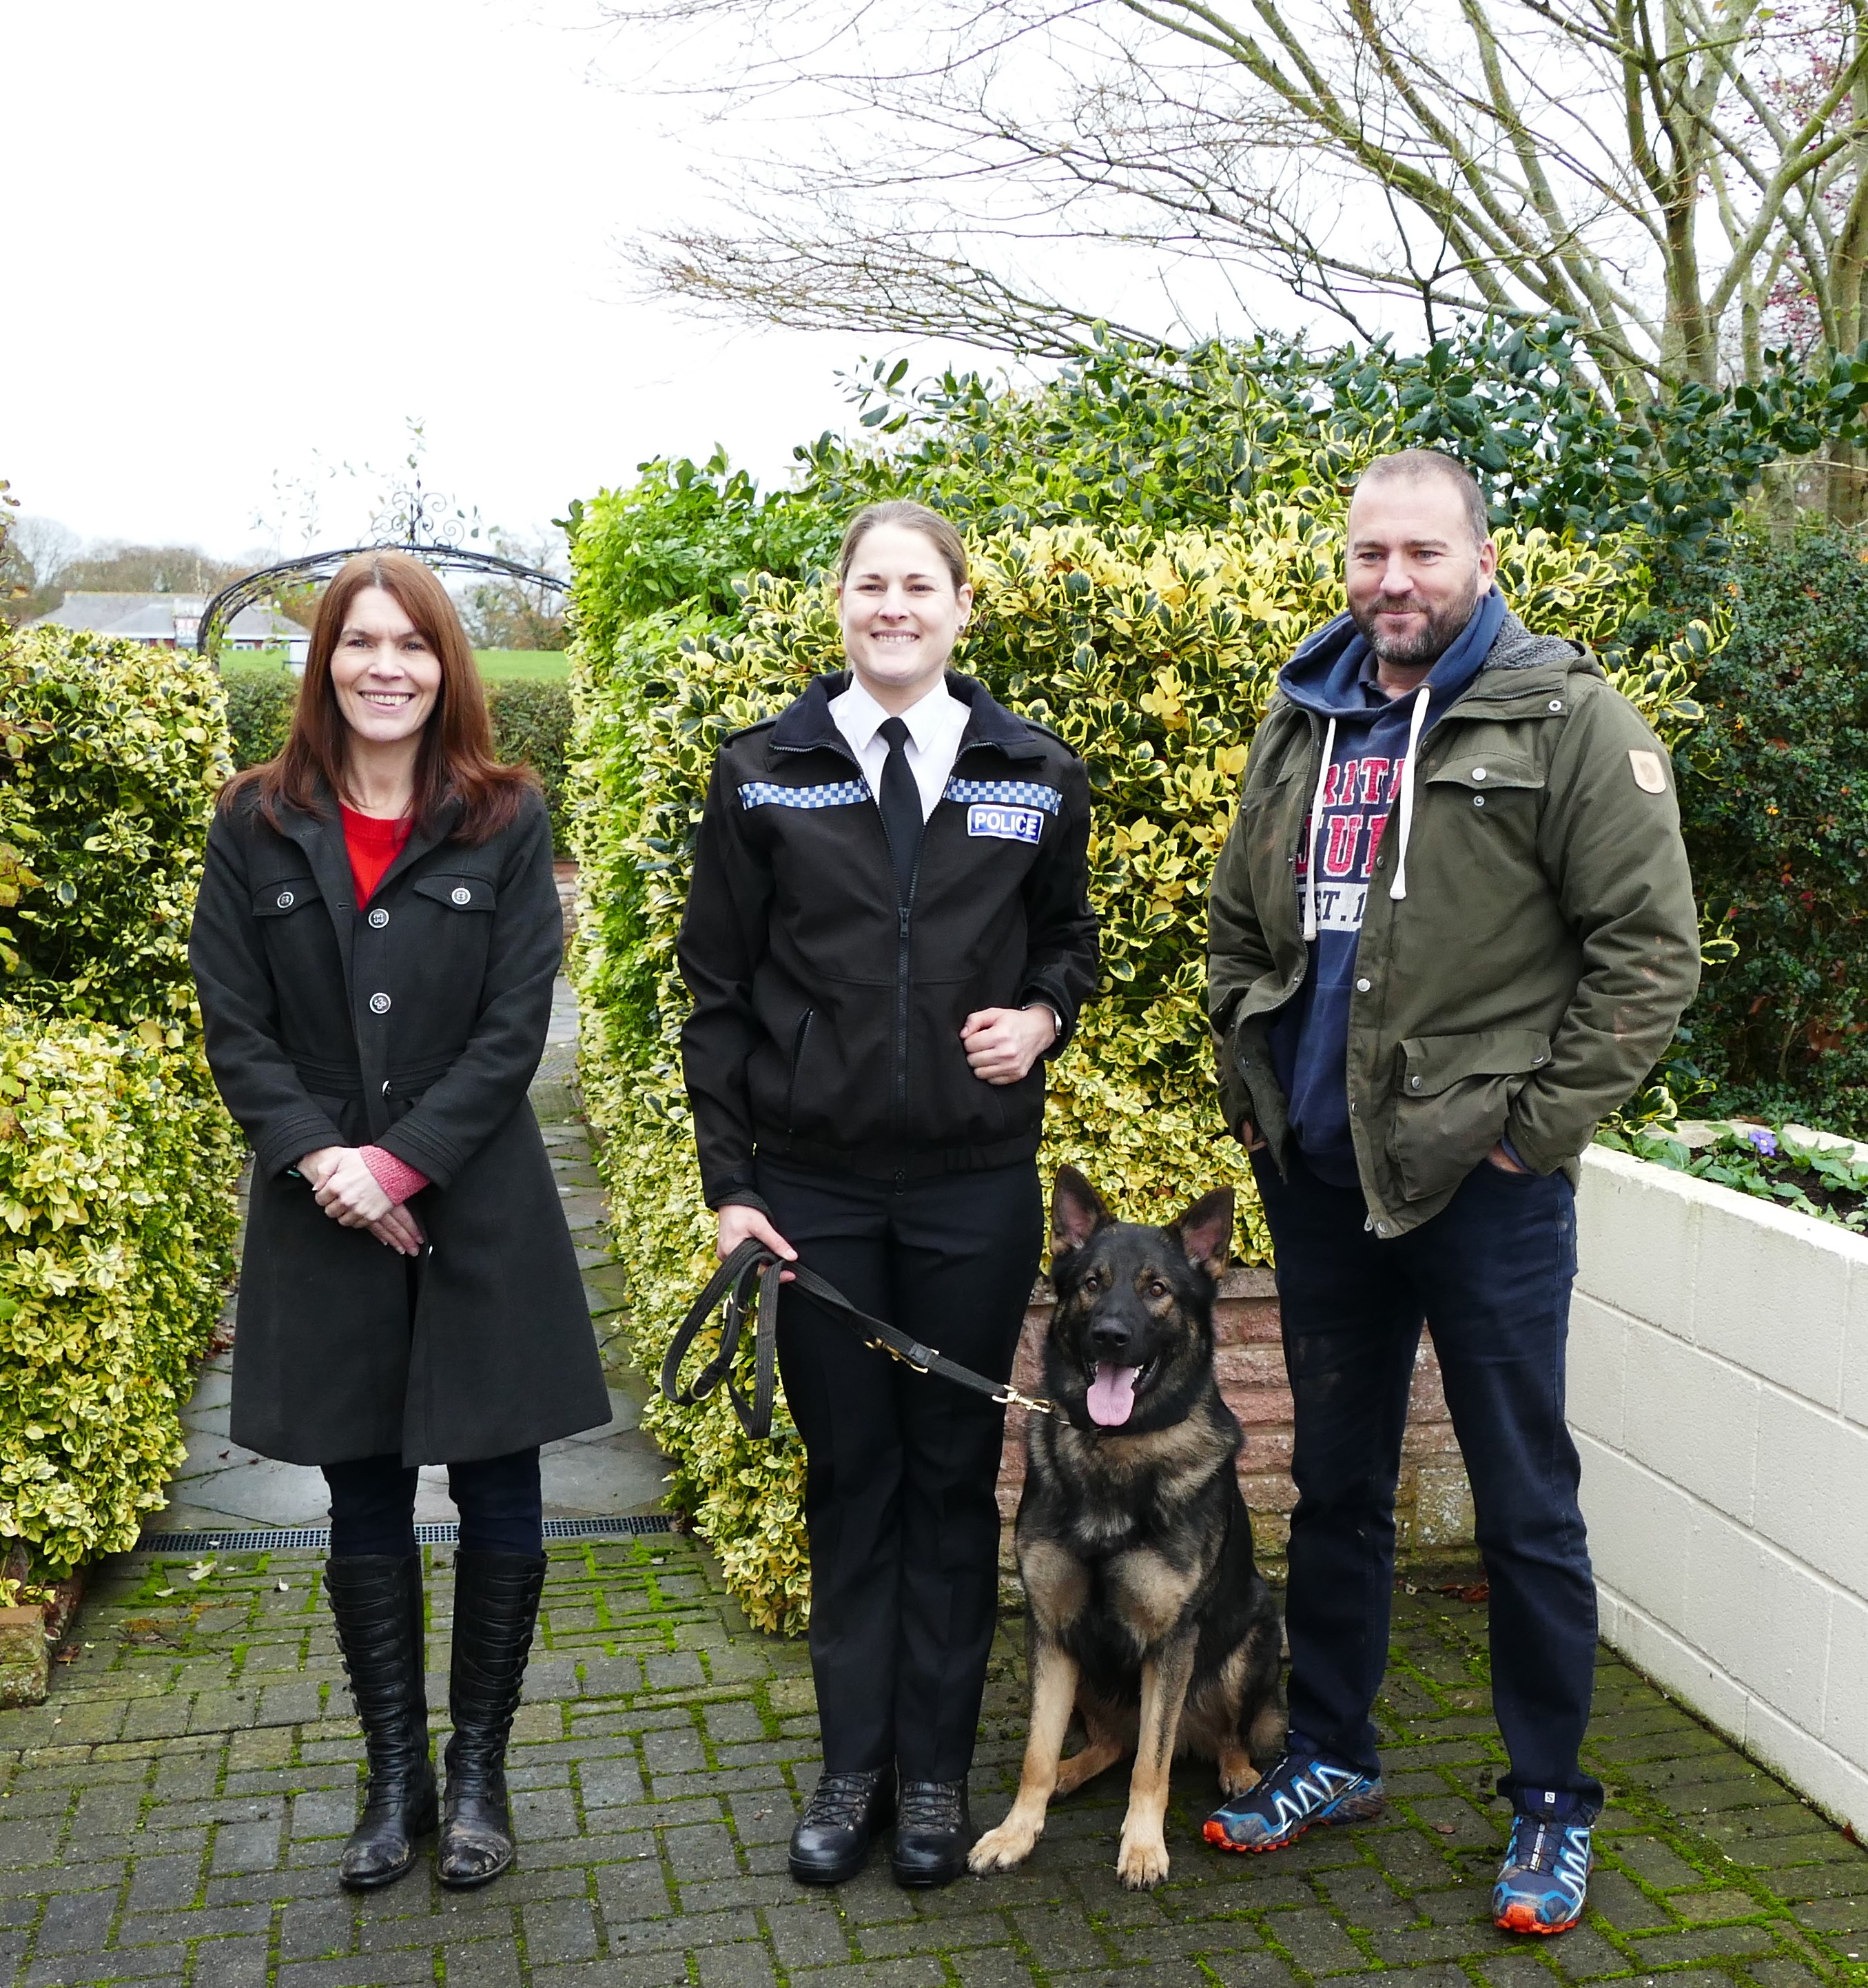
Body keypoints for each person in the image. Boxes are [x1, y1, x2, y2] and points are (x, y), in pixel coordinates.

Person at [1202, 452, 1700, 1933]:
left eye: (1423, 551)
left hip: (1484, 1190)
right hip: (1321, 1179)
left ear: (1482, 559)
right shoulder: (1309, 715)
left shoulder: (1564, 718)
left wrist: (1527, 1136)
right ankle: (1336, 1754)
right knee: (1337, 1486)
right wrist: (1253, 1076)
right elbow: (1241, 917)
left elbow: (1648, 953)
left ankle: (1551, 1805)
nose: (1392, 580)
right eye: (1369, 554)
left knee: (1526, 1505)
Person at [677, 500, 1098, 1888]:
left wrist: (1041, 1018)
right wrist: (732, 1190)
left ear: (963, 608)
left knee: (948, 1479)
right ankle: (848, 1767)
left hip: (976, 1193)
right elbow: (718, 1002)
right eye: (873, 585)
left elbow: (1070, 948)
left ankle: (933, 1777)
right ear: (841, 605)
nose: (896, 607)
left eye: (922, 586)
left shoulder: (1036, 772)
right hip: (818, 1200)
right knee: (850, 1475)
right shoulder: (764, 773)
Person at [189, 551, 610, 1894]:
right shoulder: (253, 823)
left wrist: (402, 1164)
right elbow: (235, 1026)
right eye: (359, 643)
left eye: (411, 646)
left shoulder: (505, 817)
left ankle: (480, 1776)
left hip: (478, 1203)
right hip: (321, 1210)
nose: (385, 666)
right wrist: (326, 1162)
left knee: (499, 1484)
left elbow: (513, 1027)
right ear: (326, 663)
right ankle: (395, 1783)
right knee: (361, 1487)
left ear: (446, 667)